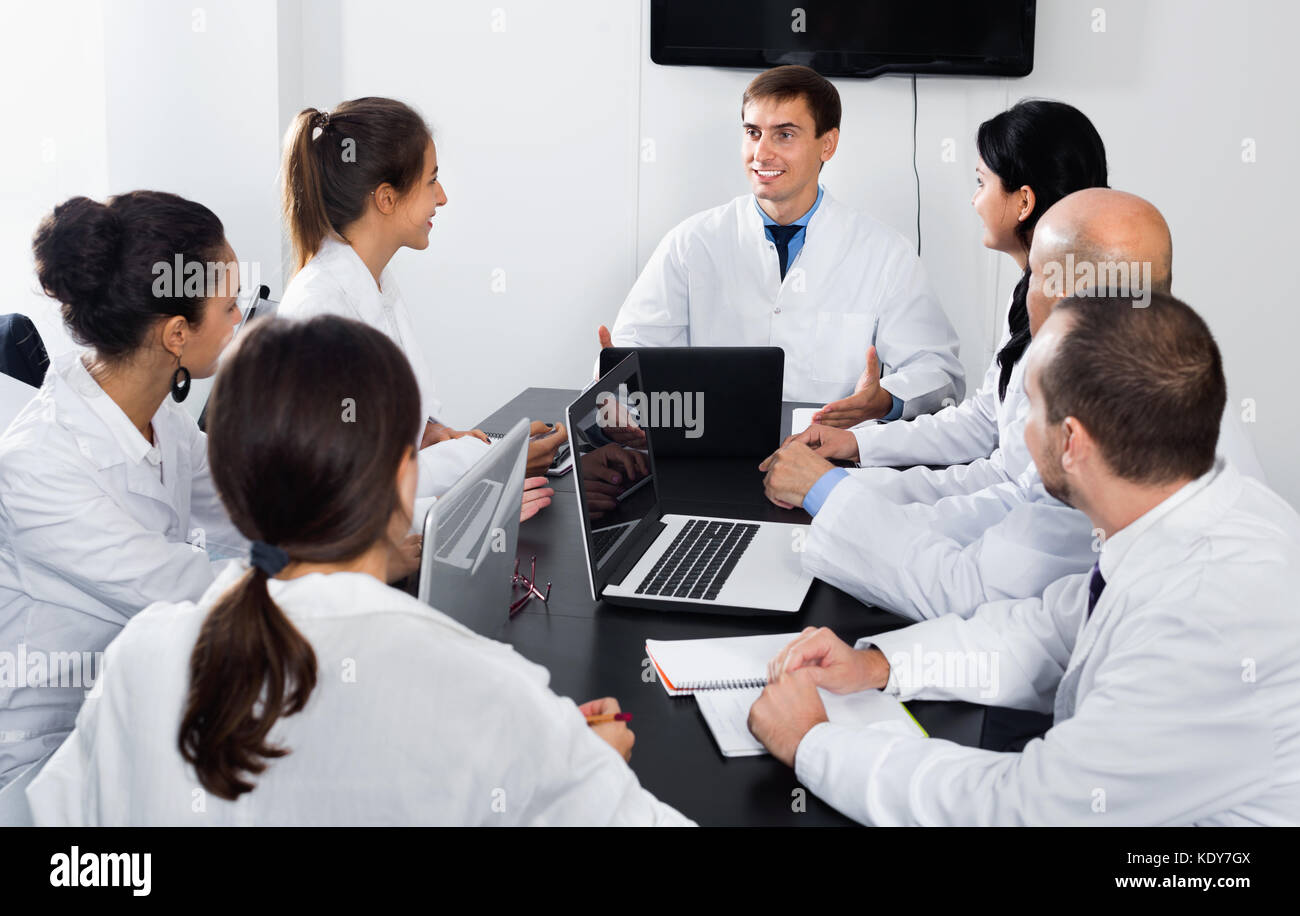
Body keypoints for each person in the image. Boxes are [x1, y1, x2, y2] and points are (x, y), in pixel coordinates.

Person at [26, 316, 693, 826]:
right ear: (407, 480)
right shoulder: (488, 686)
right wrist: (573, 771)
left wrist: (542, 755)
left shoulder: (143, 655)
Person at [747, 293, 1300, 826]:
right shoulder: (1180, 515)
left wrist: (813, 745)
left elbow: (1024, 811)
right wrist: (878, 666)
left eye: (1029, 408)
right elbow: (1046, 632)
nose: (1012, 433)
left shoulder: (1210, 620)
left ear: (1072, 443)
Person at [760, 189, 1265, 623]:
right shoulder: (1165, 384)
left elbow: (974, 588)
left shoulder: (1107, 427)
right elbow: (1041, 617)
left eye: (1038, 276)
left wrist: (830, 494)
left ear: (1066, 291)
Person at [0, 192, 246, 787]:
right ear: (177, 334)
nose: (240, 318)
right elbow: (181, 587)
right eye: (230, 304)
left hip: (127, 705)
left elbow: (251, 506)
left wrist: (397, 513)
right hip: (41, 760)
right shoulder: (37, 466)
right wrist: (347, 561)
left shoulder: (157, 415)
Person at [601, 65, 964, 420]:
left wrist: (885, 400)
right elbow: (632, 357)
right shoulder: (691, 243)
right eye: (753, 132)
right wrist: (621, 396)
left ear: (828, 144)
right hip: (710, 446)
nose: (761, 154)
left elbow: (938, 373)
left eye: (784, 134)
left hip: (832, 460)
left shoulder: (886, 254)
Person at [797, 100, 1109, 505]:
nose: (974, 200)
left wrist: (837, 489)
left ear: (1023, 202)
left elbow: (1013, 484)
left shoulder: (1073, 328)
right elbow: (984, 421)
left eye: (981, 183)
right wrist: (857, 444)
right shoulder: (1032, 294)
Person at [278, 96, 562, 516]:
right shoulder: (319, 312)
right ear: (386, 199)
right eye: (432, 181)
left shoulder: (375, 282)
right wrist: (493, 463)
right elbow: (353, 489)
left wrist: (435, 434)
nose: (442, 197)